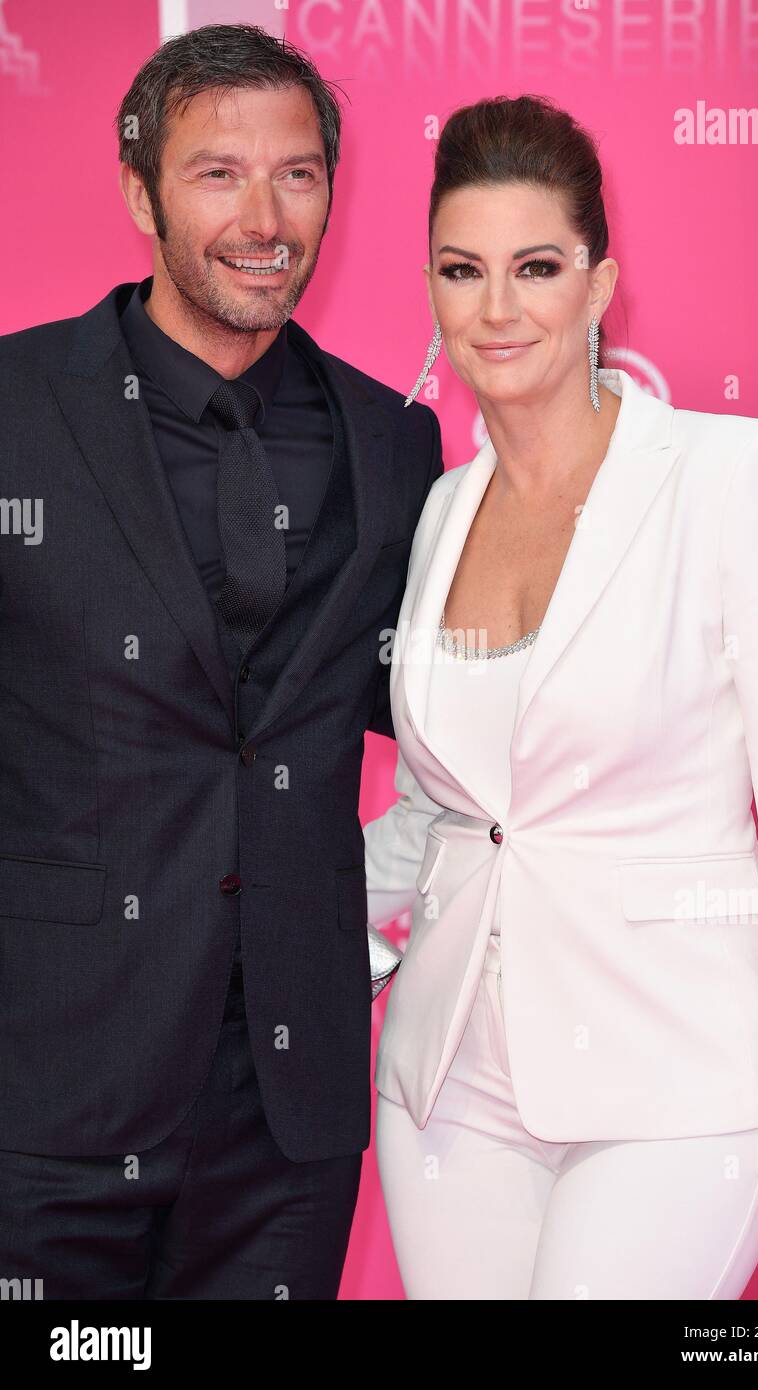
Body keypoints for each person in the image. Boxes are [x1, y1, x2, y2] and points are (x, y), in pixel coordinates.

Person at [364, 94, 758, 1299]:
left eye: (536, 267)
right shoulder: (440, 511)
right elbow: (450, 815)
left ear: (599, 286)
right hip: (449, 1088)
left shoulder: (725, 476)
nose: (496, 309)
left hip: (676, 1080)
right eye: (461, 269)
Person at [0, 23, 442, 1299]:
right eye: (217, 174)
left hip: (286, 1118)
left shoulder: (390, 444)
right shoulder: (18, 412)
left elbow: (431, 710)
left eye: (297, 174)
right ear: (139, 192)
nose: (265, 216)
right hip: (47, 1097)